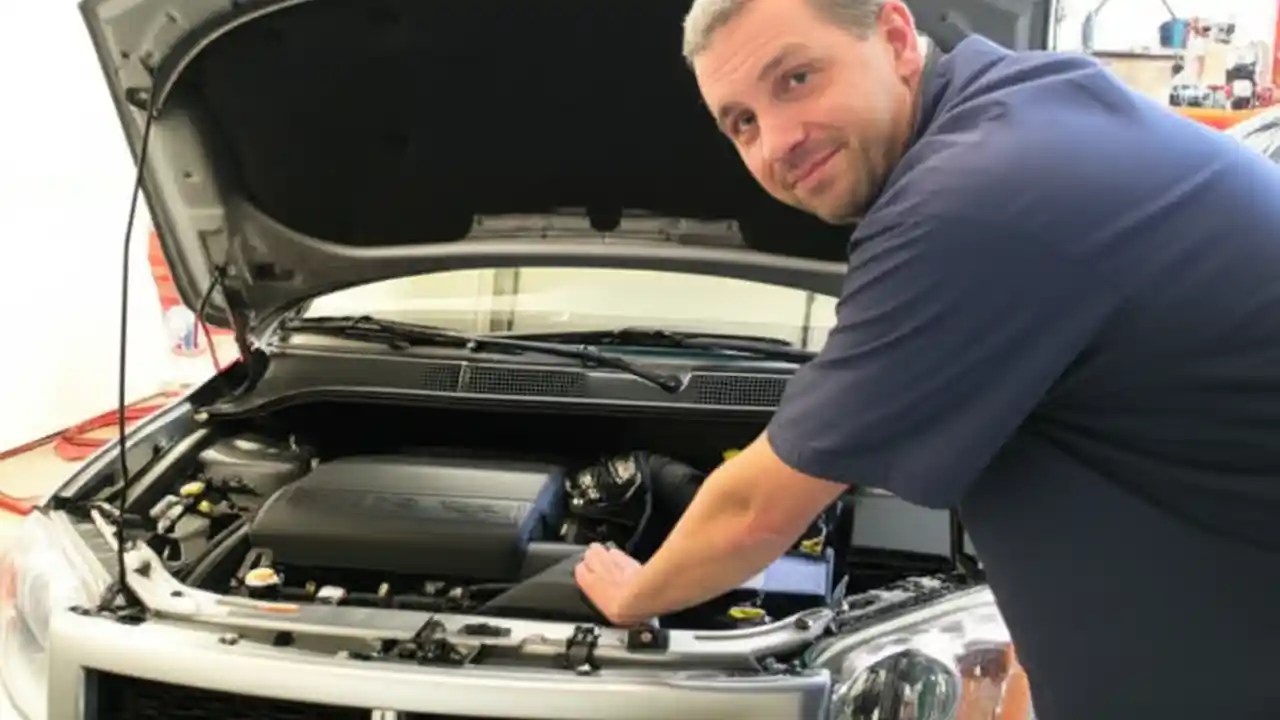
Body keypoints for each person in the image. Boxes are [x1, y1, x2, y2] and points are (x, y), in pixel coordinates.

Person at [574, 0, 1280, 717]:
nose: (776, 141)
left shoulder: (971, 196)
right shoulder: (1027, 109)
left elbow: (753, 513)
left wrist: (634, 595)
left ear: (897, 37)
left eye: (795, 78)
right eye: (742, 122)